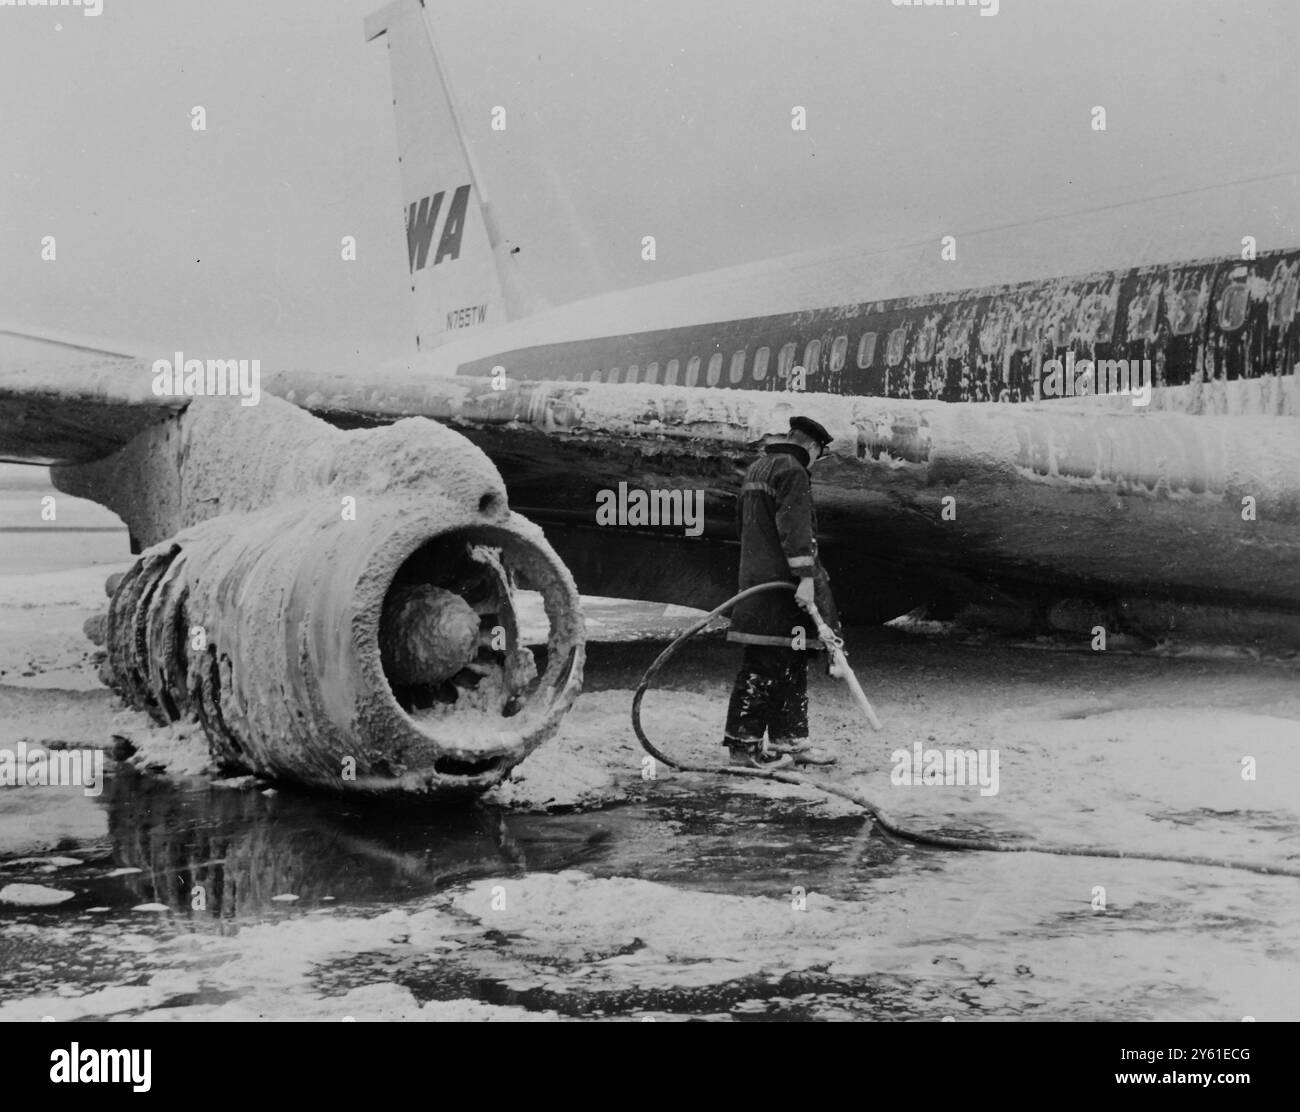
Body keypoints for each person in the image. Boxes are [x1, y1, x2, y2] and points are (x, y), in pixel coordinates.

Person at [723, 415, 841, 769]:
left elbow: (745, 526)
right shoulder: (793, 470)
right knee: (766, 664)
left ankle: (790, 741)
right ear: (812, 447)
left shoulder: (758, 468)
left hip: (757, 583)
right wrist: (805, 577)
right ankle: (744, 747)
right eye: (818, 455)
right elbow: (795, 528)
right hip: (782, 587)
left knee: (787, 660)